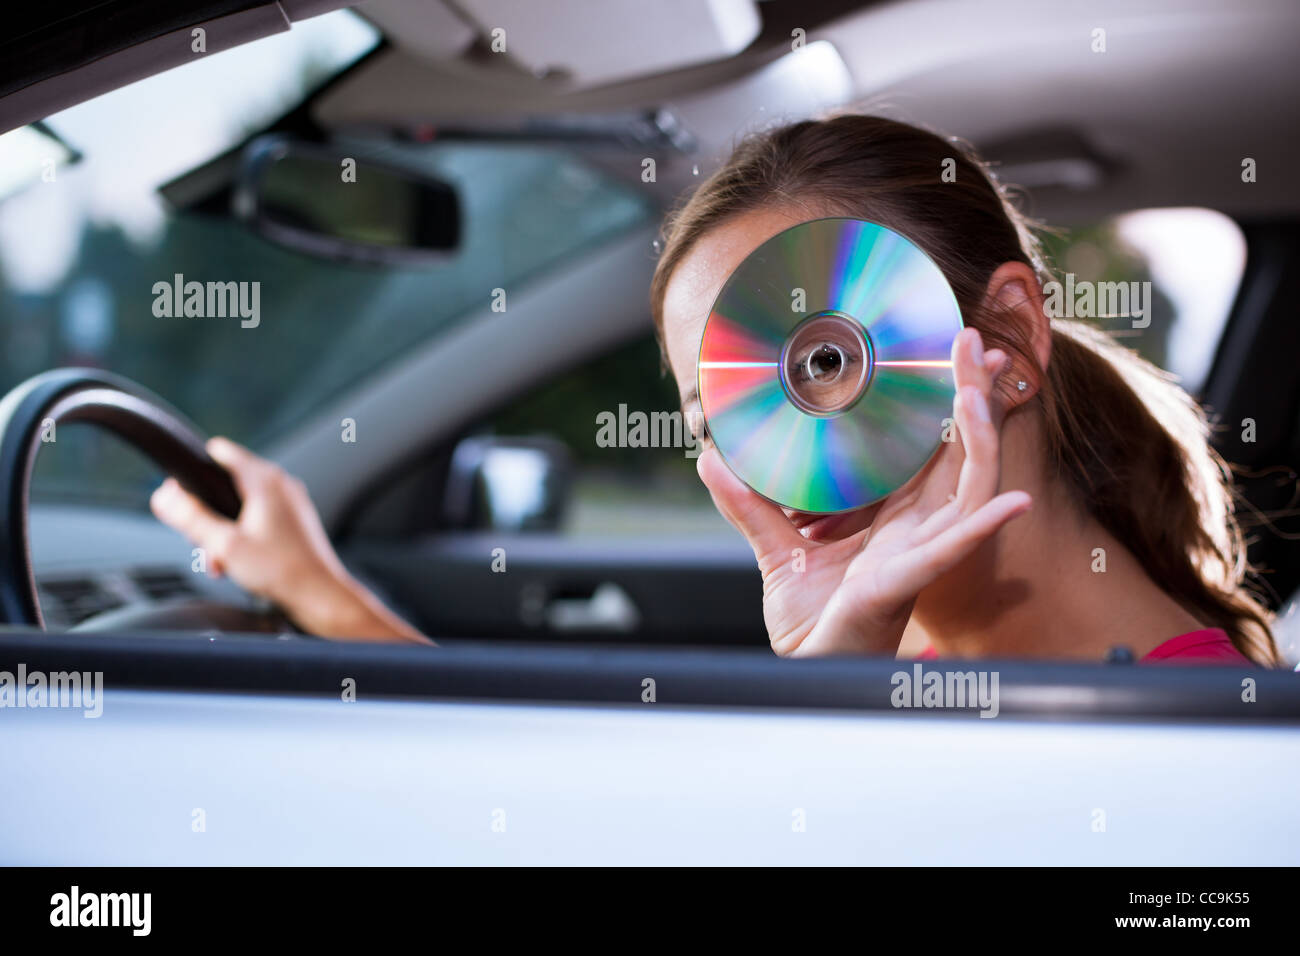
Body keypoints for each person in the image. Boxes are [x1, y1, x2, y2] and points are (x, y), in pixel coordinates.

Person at [151, 115, 1279, 666]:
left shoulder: (1195, 745)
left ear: (1011, 338)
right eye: (718, 414)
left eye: (824, 361)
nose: (769, 456)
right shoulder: (932, 657)